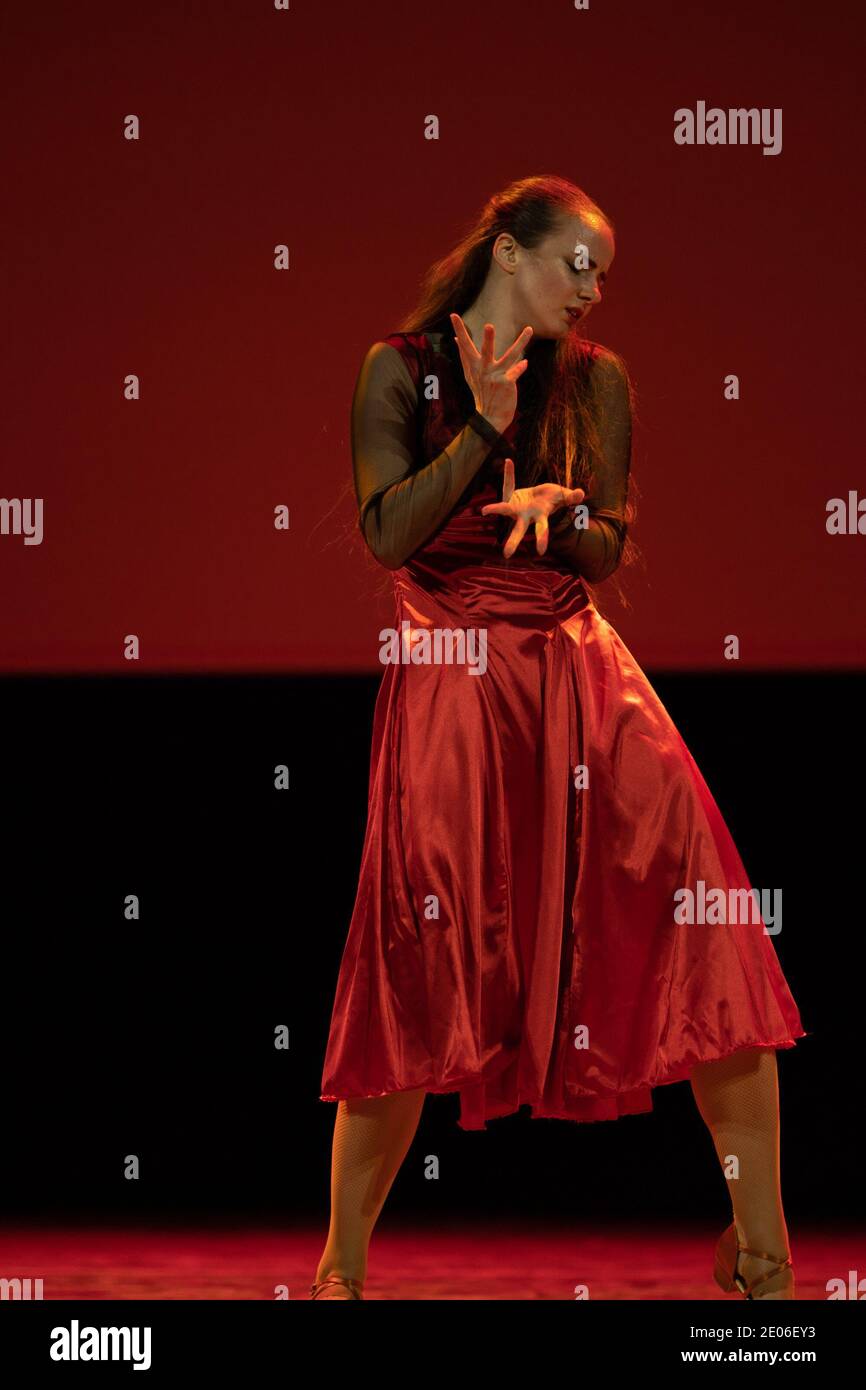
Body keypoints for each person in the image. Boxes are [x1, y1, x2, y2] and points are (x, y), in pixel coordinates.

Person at [310, 175, 806, 1302]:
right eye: (575, 263)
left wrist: (565, 509)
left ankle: (765, 1256)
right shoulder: (401, 368)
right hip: (453, 680)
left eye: (602, 275)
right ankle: (341, 1267)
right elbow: (389, 534)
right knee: (416, 950)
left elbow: (604, 548)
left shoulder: (595, 383)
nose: (590, 290)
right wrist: (481, 427)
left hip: (580, 674)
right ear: (507, 248)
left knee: (706, 925)